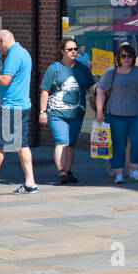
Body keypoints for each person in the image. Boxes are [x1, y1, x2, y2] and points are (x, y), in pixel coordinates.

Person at [95, 43, 138, 184]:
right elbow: (100, 91)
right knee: (118, 145)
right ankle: (118, 173)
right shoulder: (110, 72)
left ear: (134, 58)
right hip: (115, 115)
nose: (127, 59)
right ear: (118, 58)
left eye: (129, 56)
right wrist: (100, 111)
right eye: (123, 56)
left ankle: (135, 170)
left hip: (137, 114)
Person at [0, 29, 38, 195]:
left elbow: (5, 81)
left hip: (11, 106)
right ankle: (30, 183)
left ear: (2, 39)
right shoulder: (23, 52)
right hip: (22, 105)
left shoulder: (14, 55)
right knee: (21, 145)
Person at [38, 38, 94, 185]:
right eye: (70, 49)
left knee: (71, 144)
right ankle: (61, 170)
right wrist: (42, 111)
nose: (74, 51)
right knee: (61, 141)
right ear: (62, 51)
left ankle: (67, 172)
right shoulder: (54, 69)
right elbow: (44, 91)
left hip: (77, 113)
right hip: (56, 113)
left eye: (75, 49)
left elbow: (91, 88)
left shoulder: (82, 68)